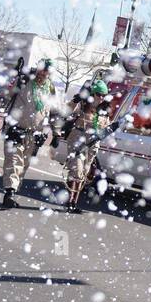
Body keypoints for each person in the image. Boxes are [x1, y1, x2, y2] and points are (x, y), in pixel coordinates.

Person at [0, 59, 57, 209]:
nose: (44, 73)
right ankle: (9, 194)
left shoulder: (51, 89)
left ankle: (13, 192)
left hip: (35, 135)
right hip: (16, 130)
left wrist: (57, 133)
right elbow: (4, 97)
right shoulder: (23, 81)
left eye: (47, 71)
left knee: (23, 166)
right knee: (13, 162)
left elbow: (55, 112)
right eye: (42, 69)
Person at [56, 78, 113, 213]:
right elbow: (65, 111)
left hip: (92, 145)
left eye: (103, 95)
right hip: (78, 140)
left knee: (83, 173)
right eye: (98, 94)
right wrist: (74, 101)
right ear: (92, 94)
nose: (101, 98)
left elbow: (106, 128)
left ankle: (74, 202)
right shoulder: (82, 105)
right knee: (77, 170)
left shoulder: (104, 111)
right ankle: (70, 202)